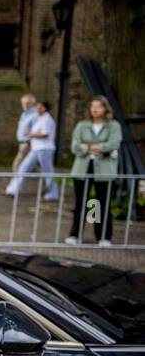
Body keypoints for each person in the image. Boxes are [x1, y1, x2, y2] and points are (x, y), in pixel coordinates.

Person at [65, 95, 122, 246]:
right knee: (80, 203)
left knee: (100, 203)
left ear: (105, 108)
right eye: (92, 106)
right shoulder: (82, 125)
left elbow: (113, 144)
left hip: (104, 170)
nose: (95, 109)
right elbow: (75, 146)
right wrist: (98, 147)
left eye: (98, 106)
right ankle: (75, 235)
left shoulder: (113, 126)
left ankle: (103, 236)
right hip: (82, 168)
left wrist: (89, 146)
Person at [4, 98, 58, 201]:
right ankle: (12, 189)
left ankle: (53, 193)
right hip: (36, 148)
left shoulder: (47, 119)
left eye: (40, 107)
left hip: (44, 149)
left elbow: (45, 134)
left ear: (45, 109)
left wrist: (31, 134)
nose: (38, 108)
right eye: (37, 106)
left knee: (48, 171)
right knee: (23, 167)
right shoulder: (39, 118)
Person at [12, 93, 37, 174]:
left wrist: (31, 142)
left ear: (32, 103)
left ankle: (13, 185)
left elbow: (36, 129)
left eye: (27, 103)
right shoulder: (24, 114)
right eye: (23, 103)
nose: (25, 105)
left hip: (28, 144)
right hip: (22, 143)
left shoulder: (34, 115)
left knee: (17, 165)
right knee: (30, 167)